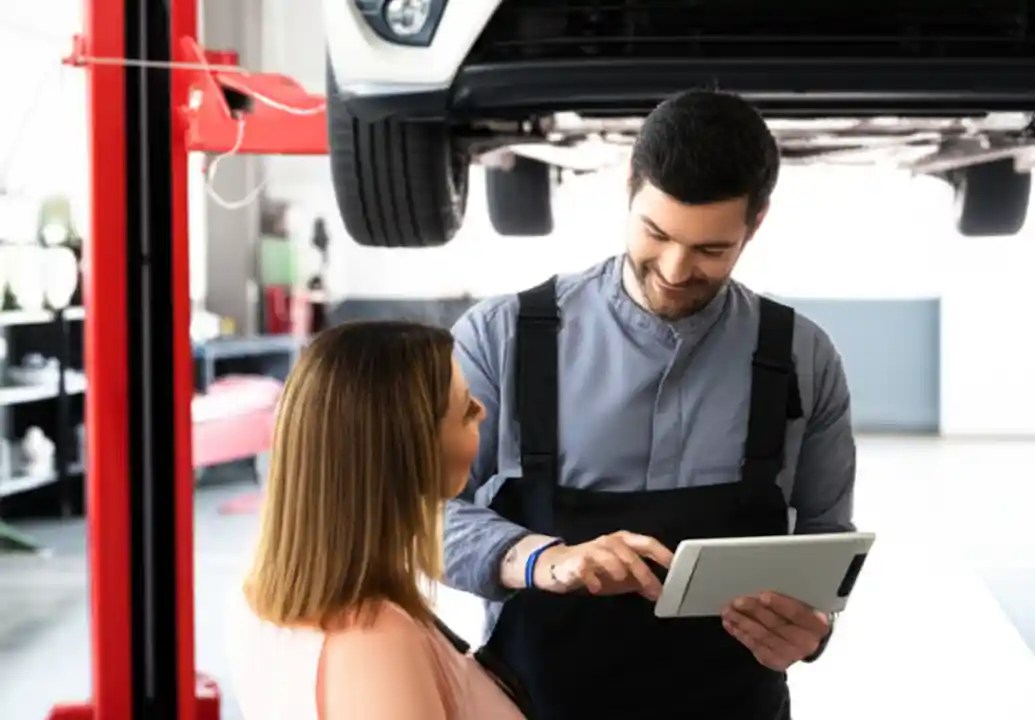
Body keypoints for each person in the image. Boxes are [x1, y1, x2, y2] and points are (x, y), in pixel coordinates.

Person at [445, 89, 857, 720]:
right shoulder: (501, 339)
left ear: (756, 224)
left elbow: (827, 541)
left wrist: (814, 627)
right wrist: (540, 559)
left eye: (711, 250)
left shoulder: (804, 357)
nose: (674, 268)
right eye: (655, 233)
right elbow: (415, 517)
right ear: (629, 189)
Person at [225, 321, 527, 720]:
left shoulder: (260, 604)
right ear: (410, 451)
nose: (483, 411)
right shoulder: (377, 639)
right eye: (466, 410)